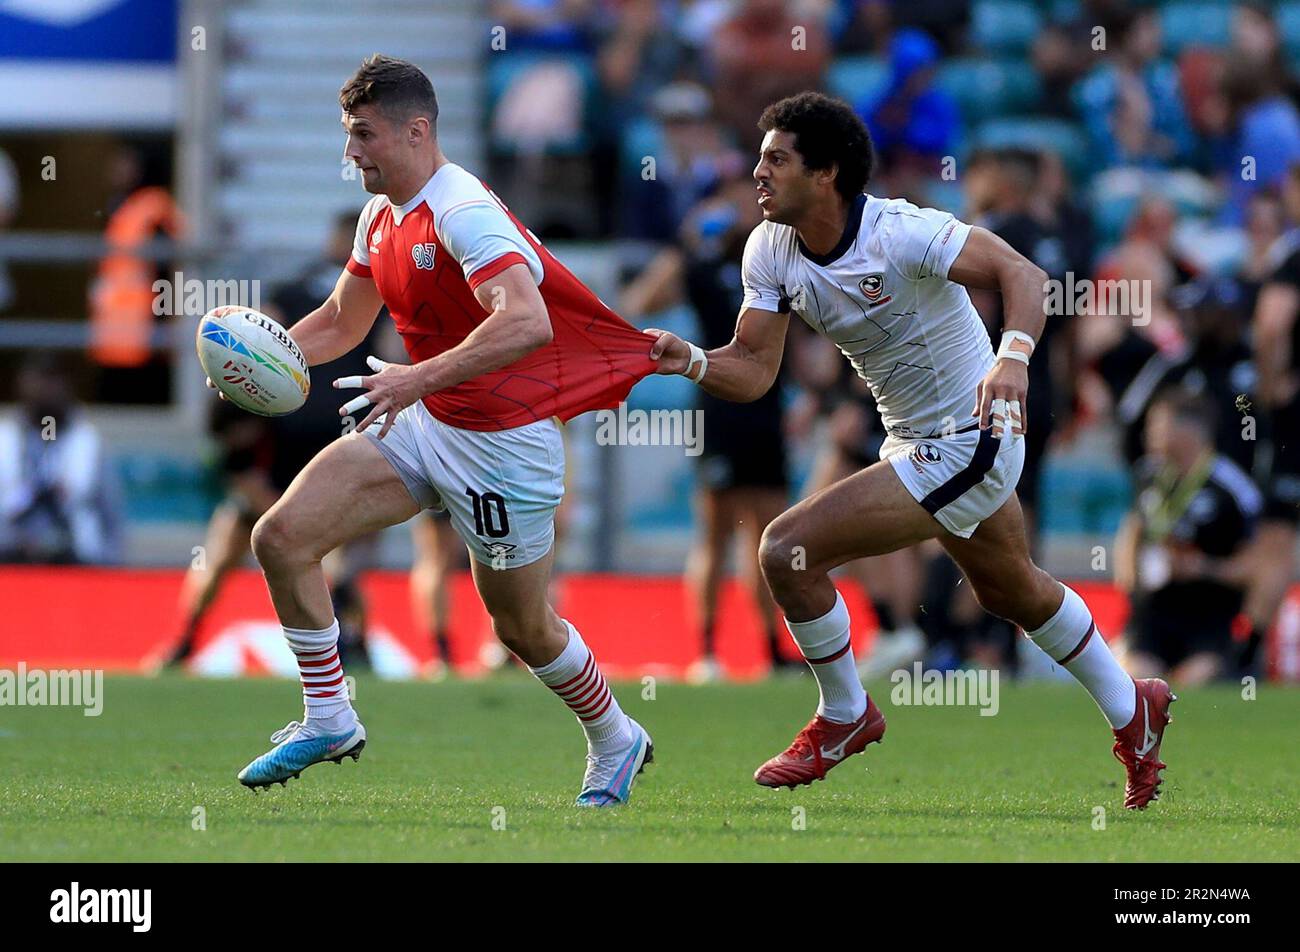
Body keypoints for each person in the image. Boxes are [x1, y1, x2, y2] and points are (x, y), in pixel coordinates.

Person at [646, 92, 1174, 810]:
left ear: (826, 174)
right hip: (914, 439)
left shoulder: (901, 231)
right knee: (1009, 589)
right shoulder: (769, 246)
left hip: (973, 437)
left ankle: (844, 714)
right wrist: (692, 362)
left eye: (776, 160)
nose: (758, 175)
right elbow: (752, 369)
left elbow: (1026, 277)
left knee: (785, 551)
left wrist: (1013, 357)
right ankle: (1132, 709)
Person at [222, 55, 657, 806]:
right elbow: (339, 321)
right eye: (346, 135)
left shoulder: (462, 211)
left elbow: (526, 320)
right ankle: (328, 716)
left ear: (416, 130)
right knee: (280, 538)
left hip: (505, 442)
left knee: (521, 627)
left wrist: (413, 379)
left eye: (363, 135)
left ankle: (616, 735)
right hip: (428, 421)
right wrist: (262, 359)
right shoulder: (380, 213)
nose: (350, 152)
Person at [621, 174, 797, 680]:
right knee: (716, 534)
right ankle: (707, 651)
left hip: (767, 411)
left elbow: (806, 339)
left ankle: (772, 648)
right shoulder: (701, 261)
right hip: (717, 409)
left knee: (769, 537)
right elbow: (642, 302)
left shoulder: (778, 260)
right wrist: (685, 241)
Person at [1115, 389, 1262, 685]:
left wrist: (1203, 567)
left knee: (1193, 684)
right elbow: (1132, 531)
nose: (1149, 433)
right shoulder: (1149, 476)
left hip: (1206, 619)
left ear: (1188, 431)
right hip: (1154, 614)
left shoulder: (1231, 489)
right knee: (1136, 682)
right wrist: (1130, 579)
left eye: (1158, 425)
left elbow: (1255, 567)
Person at [0, 352, 123, 565]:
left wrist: (110, 565)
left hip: (77, 560)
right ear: (22, 383)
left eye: (54, 379)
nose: (47, 388)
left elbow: (111, 513)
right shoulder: (5, 437)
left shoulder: (87, 441)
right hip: (11, 559)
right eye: (40, 378)